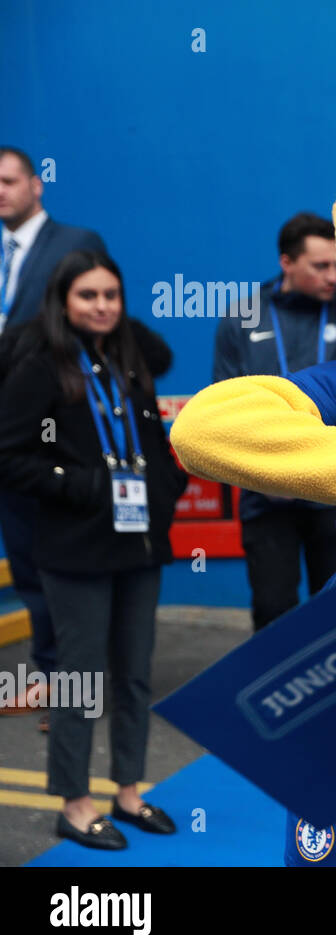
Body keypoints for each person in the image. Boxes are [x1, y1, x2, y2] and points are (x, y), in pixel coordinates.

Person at [0, 250, 190, 849]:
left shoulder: (128, 358)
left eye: (112, 295)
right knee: (80, 680)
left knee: (134, 676)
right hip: (75, 549)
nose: (103, 306)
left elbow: (155, 404)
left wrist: (164, 485)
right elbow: (12, 455)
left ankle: (128, 791)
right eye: (88, 296)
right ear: (62, 302)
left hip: (138, 543)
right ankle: (75, 803)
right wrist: (80, 485)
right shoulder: (41, 365)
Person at [0, 146, 110, 723]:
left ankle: (80, 684)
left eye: (8, 180)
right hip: (8, 435)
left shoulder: (74, 243)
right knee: (25, 562)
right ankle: (50, 678)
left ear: (37, 185)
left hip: (59, 432)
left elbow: (100, 332)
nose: (0, 192)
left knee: (63, 561)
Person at [211, 212, 336, 630]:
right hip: (266, 492)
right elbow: (226, 404)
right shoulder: (246, 315)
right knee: (274, 613)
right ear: (287, 264)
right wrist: (266, 473)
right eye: (320, 266)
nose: (332, 276)